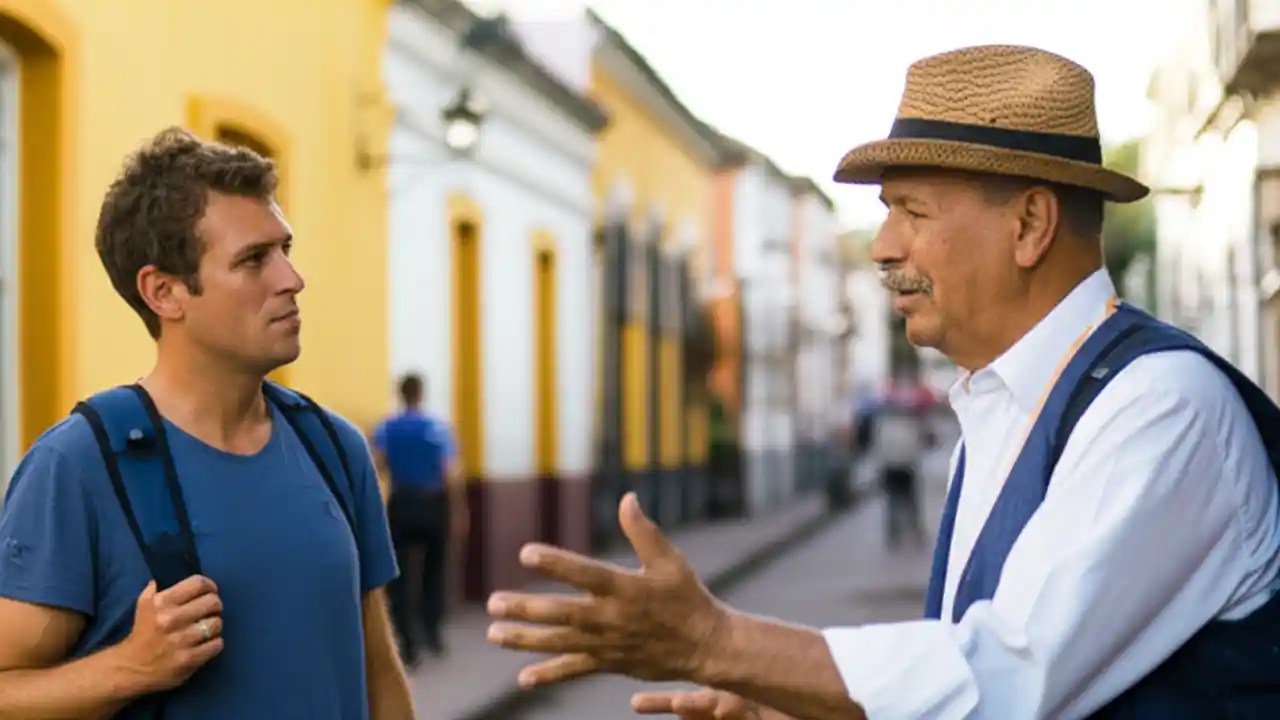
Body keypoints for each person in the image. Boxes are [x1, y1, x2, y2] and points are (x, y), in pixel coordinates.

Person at [483, 45, 1280, 719]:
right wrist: (802, 703)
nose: (881, 246)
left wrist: (716, 642)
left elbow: (1006, 680)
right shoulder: (1007, 408)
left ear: (1030, 225)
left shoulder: (1161, 407)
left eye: (912, 212)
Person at [0, 128, 414, 719]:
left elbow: (380, 676)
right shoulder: (78, 465)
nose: (291, 279)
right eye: (253, 260)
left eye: (285, 250)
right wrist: (128, 668)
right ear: (164, 292)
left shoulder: (333, 447)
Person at [372, 372, 468, 665]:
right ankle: (432, 633)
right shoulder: (437, 428)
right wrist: (458, 511)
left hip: (401, 503)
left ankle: (406, 643)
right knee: (434, 571)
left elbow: (377, 465)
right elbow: (450, 473)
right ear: (421, 394)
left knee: (399, 576)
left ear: (400, 394)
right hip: (432, 504)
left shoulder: (387, 427)